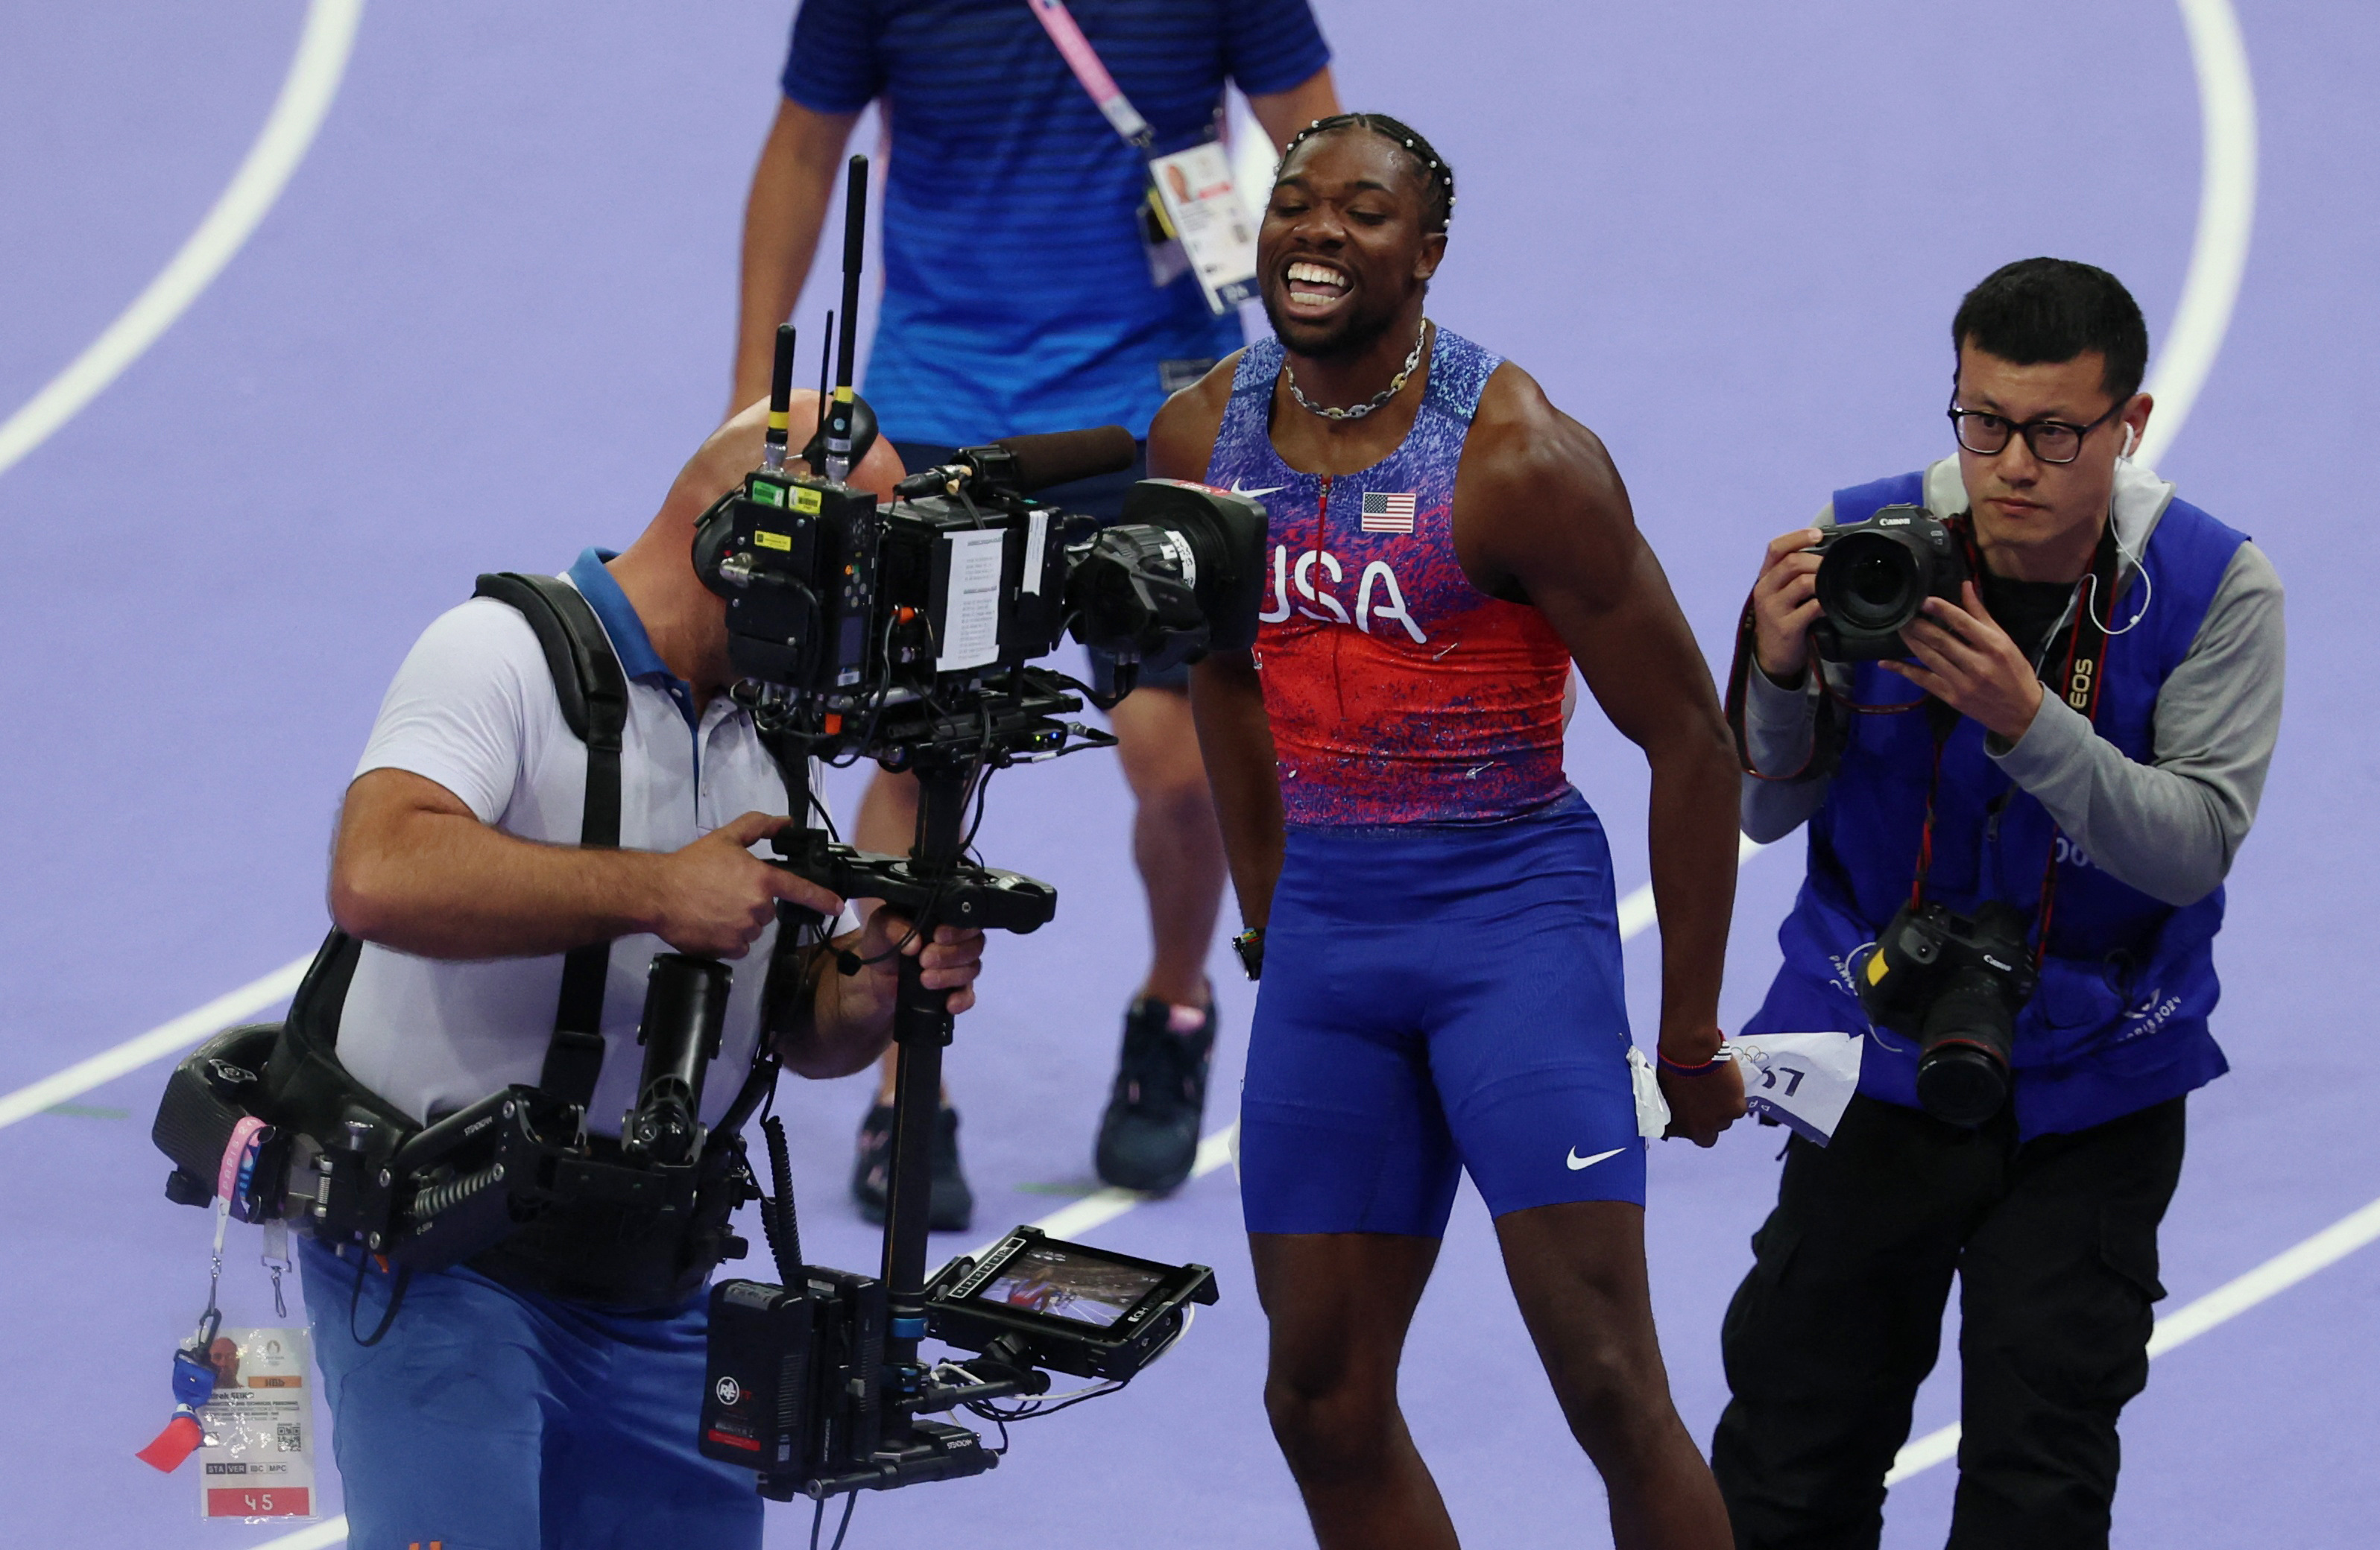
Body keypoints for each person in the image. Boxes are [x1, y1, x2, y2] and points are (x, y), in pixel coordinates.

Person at [1158, 113, 1746, 1550]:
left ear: (1424, 256)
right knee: (1319, 1400)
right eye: (1294, 203)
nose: (1315, 232)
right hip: (1330, 944)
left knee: (1608, 1385)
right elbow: (1222, 674)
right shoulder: (1197, 437)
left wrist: (1686, 1032)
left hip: (1508, 931)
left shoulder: (1519, 458)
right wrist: (1263, 909)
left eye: (1362, 214)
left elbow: (1690, 741)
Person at [301, 400, 987, 1550]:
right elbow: (378, 873)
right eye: (860, 565)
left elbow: (789, 1030)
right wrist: (655, 889)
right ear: (742, 542)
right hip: (445, 1264)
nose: (873, 611)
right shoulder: (498, 653)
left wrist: (866, 988)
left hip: (654, 1285)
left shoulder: (773, 725)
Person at [731, 0, 1341, 1221]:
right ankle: (909, 1068)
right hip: (942, 413)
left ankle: (1175, 1001)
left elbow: (1320, 142)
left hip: (1160, 413)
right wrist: (756, 409)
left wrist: (1339, 365)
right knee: (910, 761)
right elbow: (803, 149)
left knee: (1177, 767)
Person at [1712, 258, 2286, 1548]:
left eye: (2053, 433)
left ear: (2126, 426)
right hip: (1874, 1054)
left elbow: (2192, 846)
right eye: (1980, 422)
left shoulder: (2212, 590)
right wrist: (1777, 667)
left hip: (2094, 1080)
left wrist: (2027, 723)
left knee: (2040, 1483)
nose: (2010, 464)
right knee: (1786, 1457)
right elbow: (1758, 806)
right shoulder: (1863, 546)